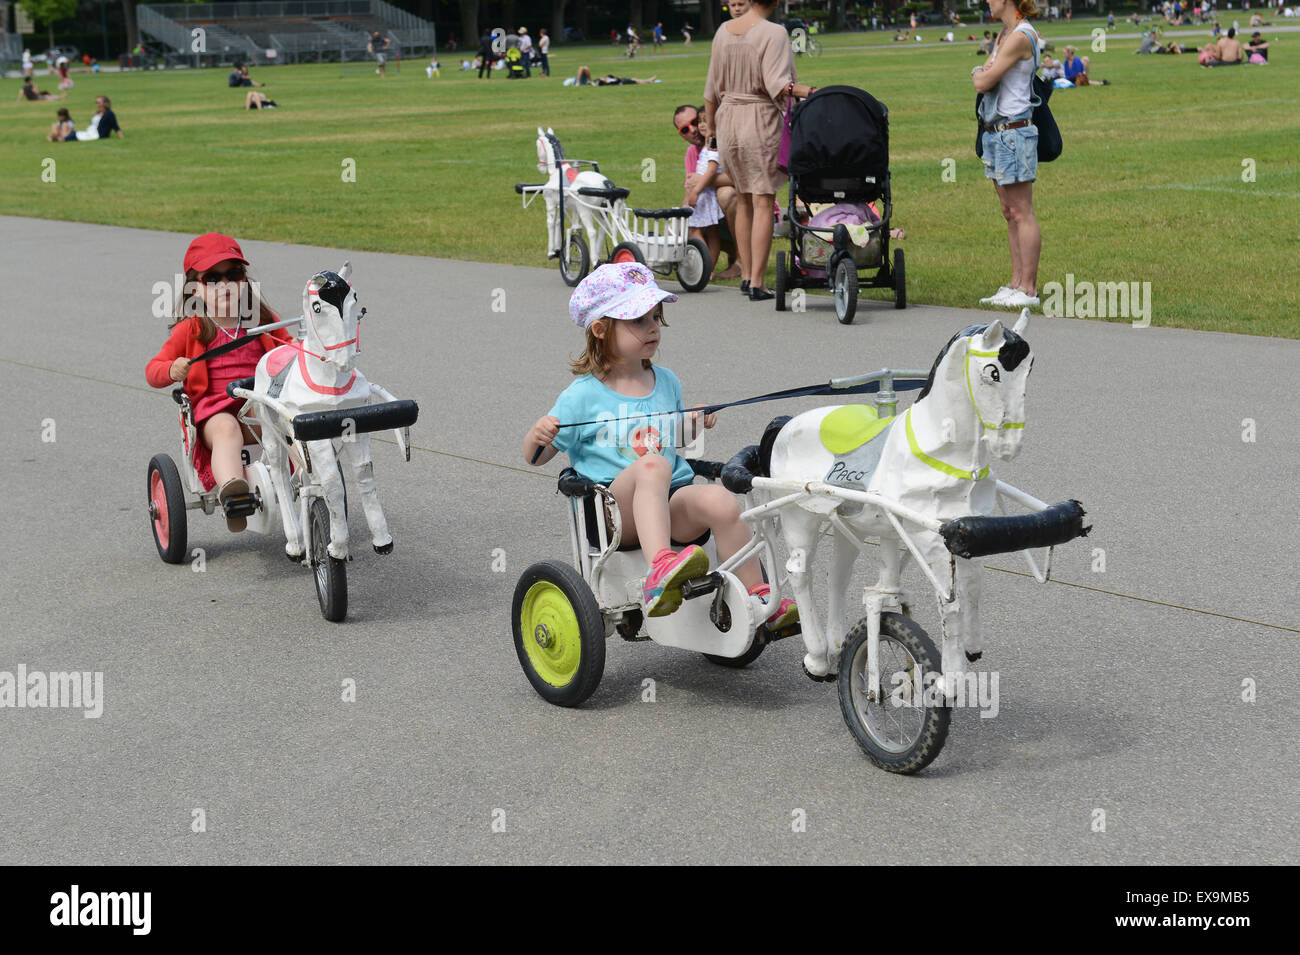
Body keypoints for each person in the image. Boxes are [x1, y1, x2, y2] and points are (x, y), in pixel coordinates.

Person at [525, 262, 798, 625]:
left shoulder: (666, 381)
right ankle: (659, 571)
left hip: (669, 502)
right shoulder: (582, 396)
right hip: (616, 515)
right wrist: (537, 435)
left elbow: (672, 443)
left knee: (719, 500)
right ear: (601, 329)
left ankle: (757, 597)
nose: (653, 327)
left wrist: (692, 424)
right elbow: (537, 456)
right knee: (652, 466)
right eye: (639, 320)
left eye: (656, 317)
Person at [146, 234, 294, 529]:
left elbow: (288, 348)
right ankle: (234, 492)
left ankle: (306, 477)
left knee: (281, 419)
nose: (225, 285)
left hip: (255, 404)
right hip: (215, 412)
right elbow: (153, 370)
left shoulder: (260, 319)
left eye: (234, 274)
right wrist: (172, 369)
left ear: (244, 281)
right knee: (226, 429)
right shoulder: (193, 328)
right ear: (195, 289)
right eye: (213, 278)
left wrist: (306, 356)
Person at [704, 0, 815, 300]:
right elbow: (778, 85)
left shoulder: (723, 31)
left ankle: (745, 274)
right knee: (764, 201)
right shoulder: (774, 33)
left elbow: (711, 87)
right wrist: (811, 91)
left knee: (743, 198)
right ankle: (756, 282)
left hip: (727, 120)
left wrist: (712, 128)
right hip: (758, 118)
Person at [972, 0, 1043, 309]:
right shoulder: (1004, 34)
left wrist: (981, 71)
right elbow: (984, 76)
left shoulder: (1020, 37)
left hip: (1014, 133)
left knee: (1022, 211)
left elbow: (984, 80)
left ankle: (1028, 289)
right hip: (995, 132)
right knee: (1008, 211)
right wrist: (983, 71)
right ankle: (1014, 283)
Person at [675, 103, 742, 278]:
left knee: (725, 195)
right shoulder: (696, 150)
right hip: (709, 201)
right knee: (686, 224)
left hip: (741, 205)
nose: (694, 129)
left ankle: (739, 262)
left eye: (695, 122)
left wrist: (701, 185)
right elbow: (690, 186)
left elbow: (743, 178)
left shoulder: (716, 143)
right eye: (684, 129)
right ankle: (706, 270)